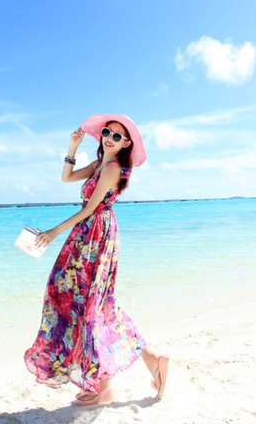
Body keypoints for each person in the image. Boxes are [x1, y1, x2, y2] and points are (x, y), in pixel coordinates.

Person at [24, 114, 170, 406]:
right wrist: (73, 147)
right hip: (87, 234)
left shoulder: (113, 168)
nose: (108, 138)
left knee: (94, 306)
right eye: (106, 132)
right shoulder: (101, 164)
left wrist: (53, 232)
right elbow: (67, 177)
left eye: (116, 136)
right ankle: (143, 363)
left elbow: (90, 209)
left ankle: (108, 386)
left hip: (96, 235)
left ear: (126, 143)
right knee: (90, 304)